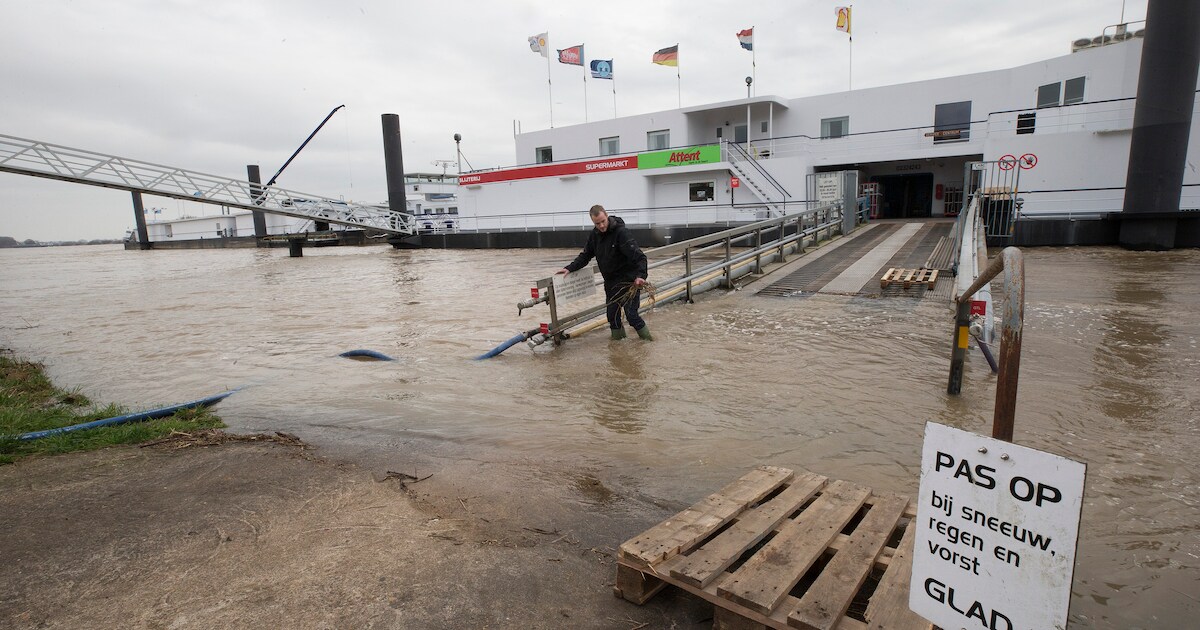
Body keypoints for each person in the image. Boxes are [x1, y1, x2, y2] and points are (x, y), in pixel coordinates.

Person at [557, 205, 652, 341]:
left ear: (607, 216)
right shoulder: (594, 236)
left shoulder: (621, 233)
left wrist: (641, 276)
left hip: (630, 282)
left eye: (603, 221)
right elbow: (585, 255)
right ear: (593, 222)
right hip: (611, 284)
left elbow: (640, 257)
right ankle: (618, 347)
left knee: (632, 316)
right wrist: (569, 268)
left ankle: (648, 342)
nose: (601, 226)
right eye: (597, 223)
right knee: (612, 317)